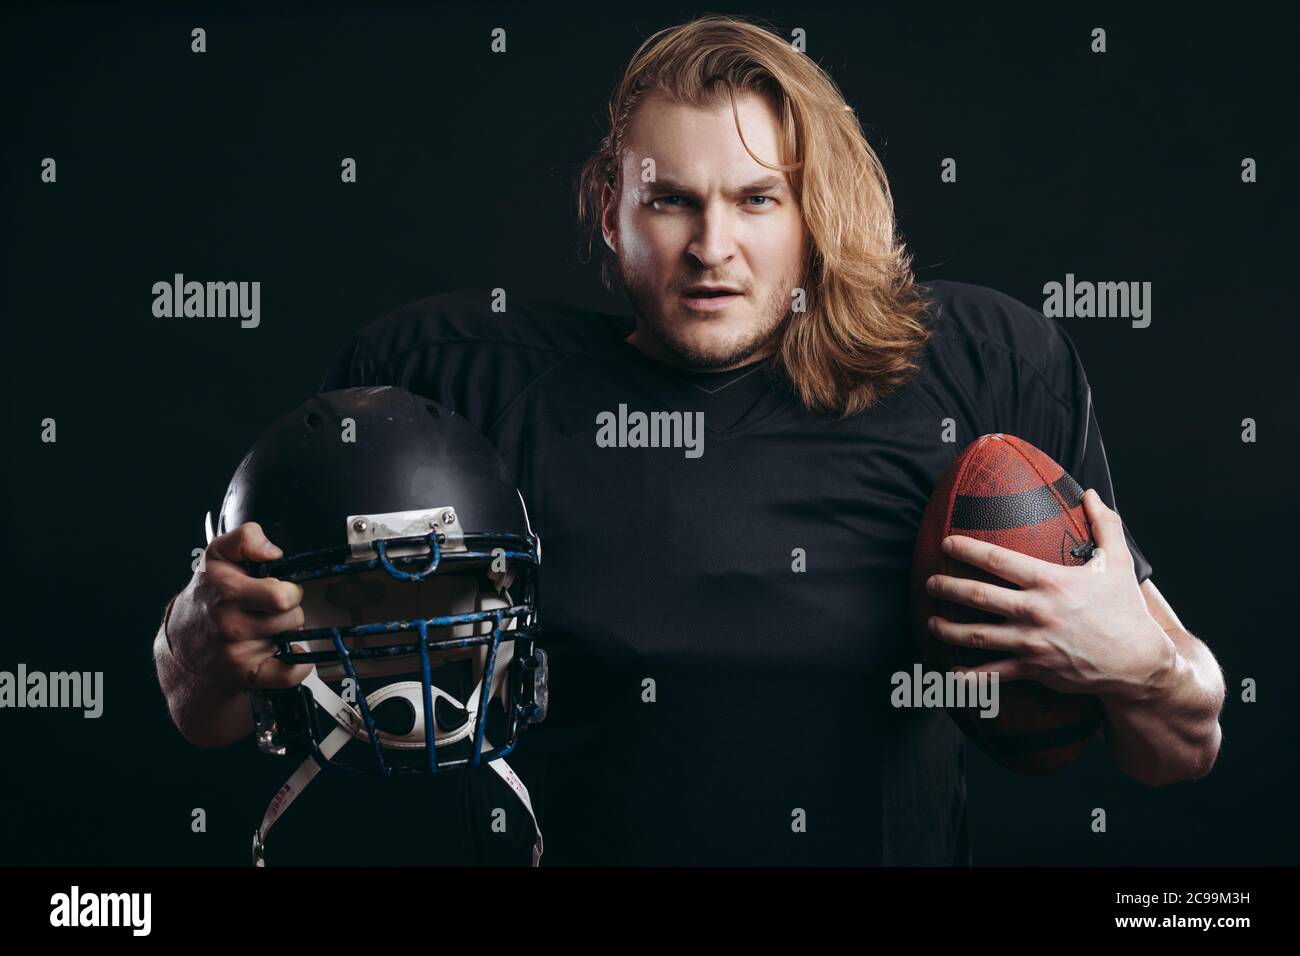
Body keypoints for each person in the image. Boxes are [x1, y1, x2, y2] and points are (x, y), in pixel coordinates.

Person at [153, 15, 1224, 865]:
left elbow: (1181, 748)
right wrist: (198, 646)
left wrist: (1147, 666)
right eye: (671, 200)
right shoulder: (469, 385)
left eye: (758, 198)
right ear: (609, 211)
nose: (712, 246)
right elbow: (214, 705)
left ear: (813, 213)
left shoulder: (977, 370)